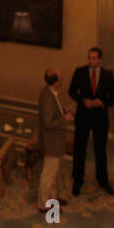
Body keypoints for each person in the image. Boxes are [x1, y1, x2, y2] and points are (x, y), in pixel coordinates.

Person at [68, 46, 114, 195]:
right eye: (89, 58)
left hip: (100, 118)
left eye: (94, 58)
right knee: (79, 150)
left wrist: (103, 103)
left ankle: (103, 180)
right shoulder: (80, 72)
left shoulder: (107, 76)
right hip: (83, 116)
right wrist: (82, 100)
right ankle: (78, 180)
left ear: (100, 60)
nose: (91, 60)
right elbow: (71, 91)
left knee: (100, 151)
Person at [37, 68, 74, 212]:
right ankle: (43, 203)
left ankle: (52, 198)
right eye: (60, 76)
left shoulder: (50, 93)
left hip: (55, 140)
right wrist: (65, 119)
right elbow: (48, 123)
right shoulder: (47, 97)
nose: (63, 76)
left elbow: (52, 115)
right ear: (56, 81)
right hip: (51, 141)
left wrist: (63, 111)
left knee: (54, 173)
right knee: (48, 174)